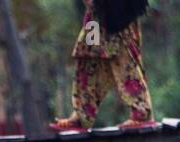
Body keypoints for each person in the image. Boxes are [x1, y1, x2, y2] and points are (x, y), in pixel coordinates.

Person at [49, 0, 156, 132]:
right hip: (96, 14)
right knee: (88, 56)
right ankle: (82, 115)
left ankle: (141, 112)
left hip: (117, 13)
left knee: (123, 59)